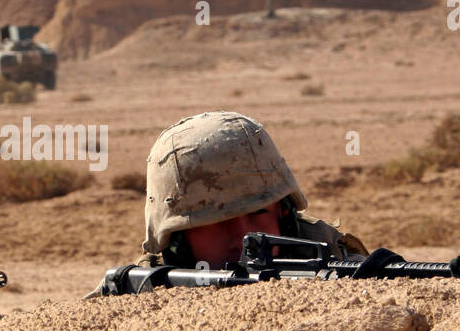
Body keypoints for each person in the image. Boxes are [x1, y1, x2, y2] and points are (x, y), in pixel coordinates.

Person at [87, 110, 367, 296]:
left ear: (284, 213)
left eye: (258, 212)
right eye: (216, 221)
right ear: (177, 238)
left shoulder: (343, 269)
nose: (242, 238)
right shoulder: (142, 287)